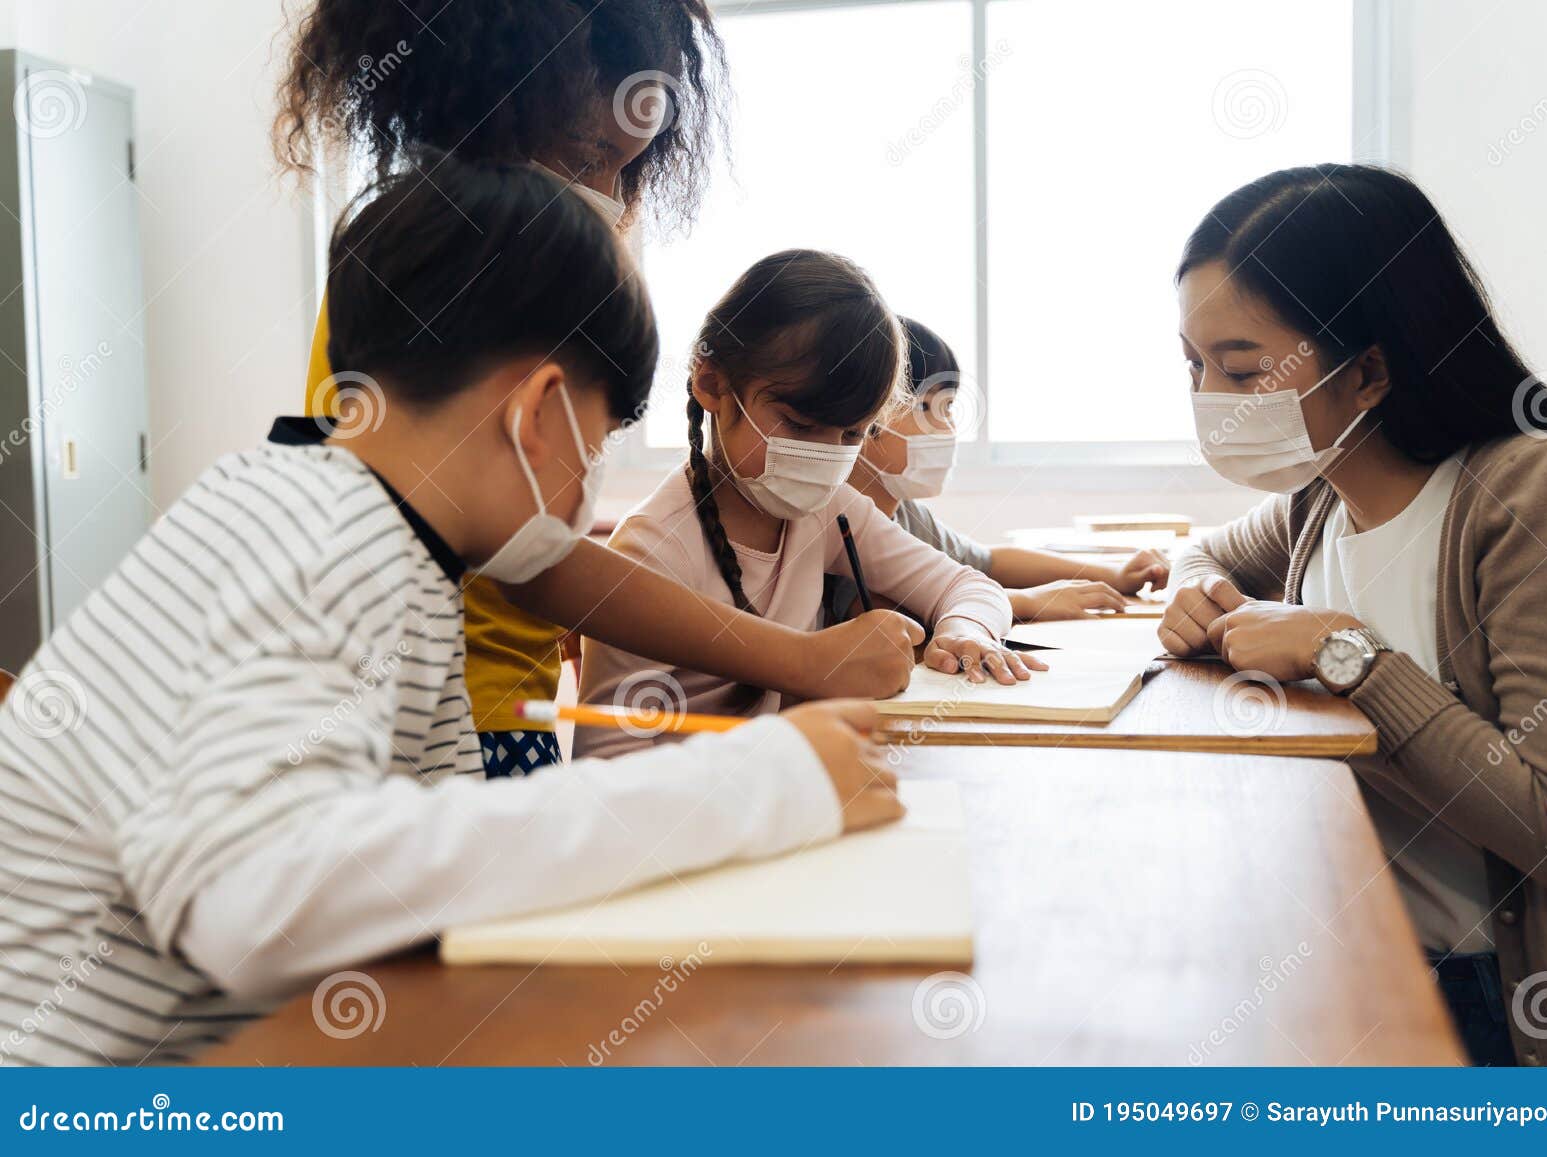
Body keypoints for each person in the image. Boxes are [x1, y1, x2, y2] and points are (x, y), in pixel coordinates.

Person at [0, 159, 901, 1066]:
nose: (593, 474)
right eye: (603, 434)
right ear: (539, 411)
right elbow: (255, 899)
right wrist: (753, 785)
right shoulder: (330, 541)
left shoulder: (354, 521)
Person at [276, 0, 916, 774]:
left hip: (489, 710)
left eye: (626, 165)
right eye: (586, 157)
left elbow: (527, 541)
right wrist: (807, 660)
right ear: (491, 112)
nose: (611, 196)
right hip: (461, 729)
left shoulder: (420, 248)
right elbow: (541, 561)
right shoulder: (454, 278)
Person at [1162, 163, 1547, 1066]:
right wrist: (1191, 590)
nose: (1209, 399)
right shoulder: (1319, 499)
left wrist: (1345, 653)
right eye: (1193, 365)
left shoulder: (1526, 491)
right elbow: (1203, 553)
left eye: (1240, 369)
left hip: (1492, 1006)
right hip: (1351, 945)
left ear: (1367, 371)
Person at [578, 253, 1040, 759]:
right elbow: (604, 765)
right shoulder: (654, 547)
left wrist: (965, 628)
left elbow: (966, 584)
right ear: (712, 385)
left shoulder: (829, 511)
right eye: (799, 426)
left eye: (851, 434)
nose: (824, 455)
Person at [833, 316, 1169, 624]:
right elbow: (889, 614)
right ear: (865, 416)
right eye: (923, 406)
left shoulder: (907, 514)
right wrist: (1025, 601)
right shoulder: (841, 518)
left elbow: (989, 561)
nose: (946, 427)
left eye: (948, 407)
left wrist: (1114, 574)